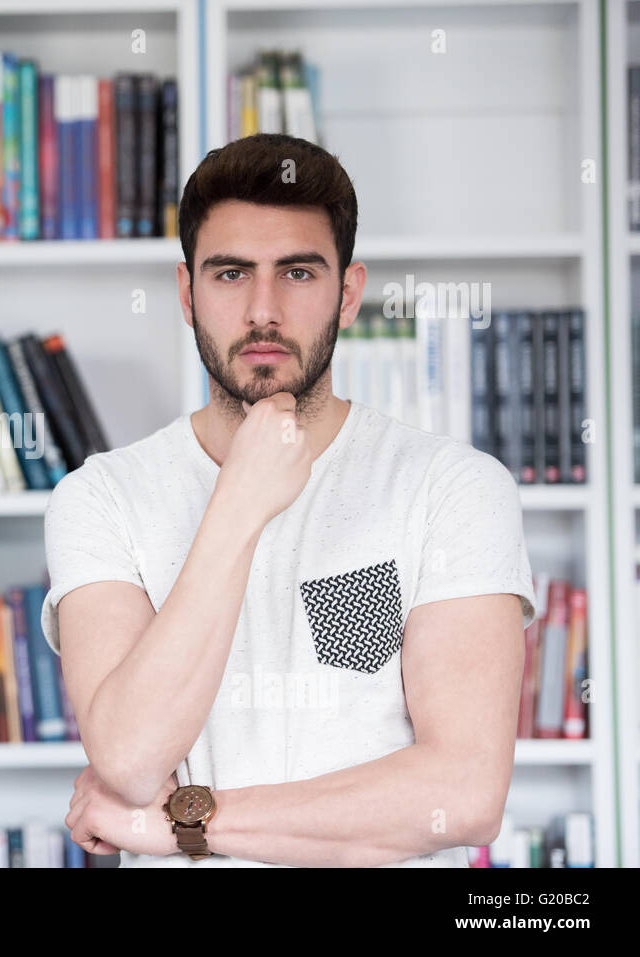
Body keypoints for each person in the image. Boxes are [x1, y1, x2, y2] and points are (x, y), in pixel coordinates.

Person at [44, 133, 538, 867]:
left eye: (299, 272)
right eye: (231, 273)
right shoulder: (101, 498)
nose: (263, 310)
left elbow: (463, 792)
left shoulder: (455, 489)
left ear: (348, 291)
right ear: (187, 293)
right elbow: (129, 757)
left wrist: (187, 822)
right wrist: (238, 503)